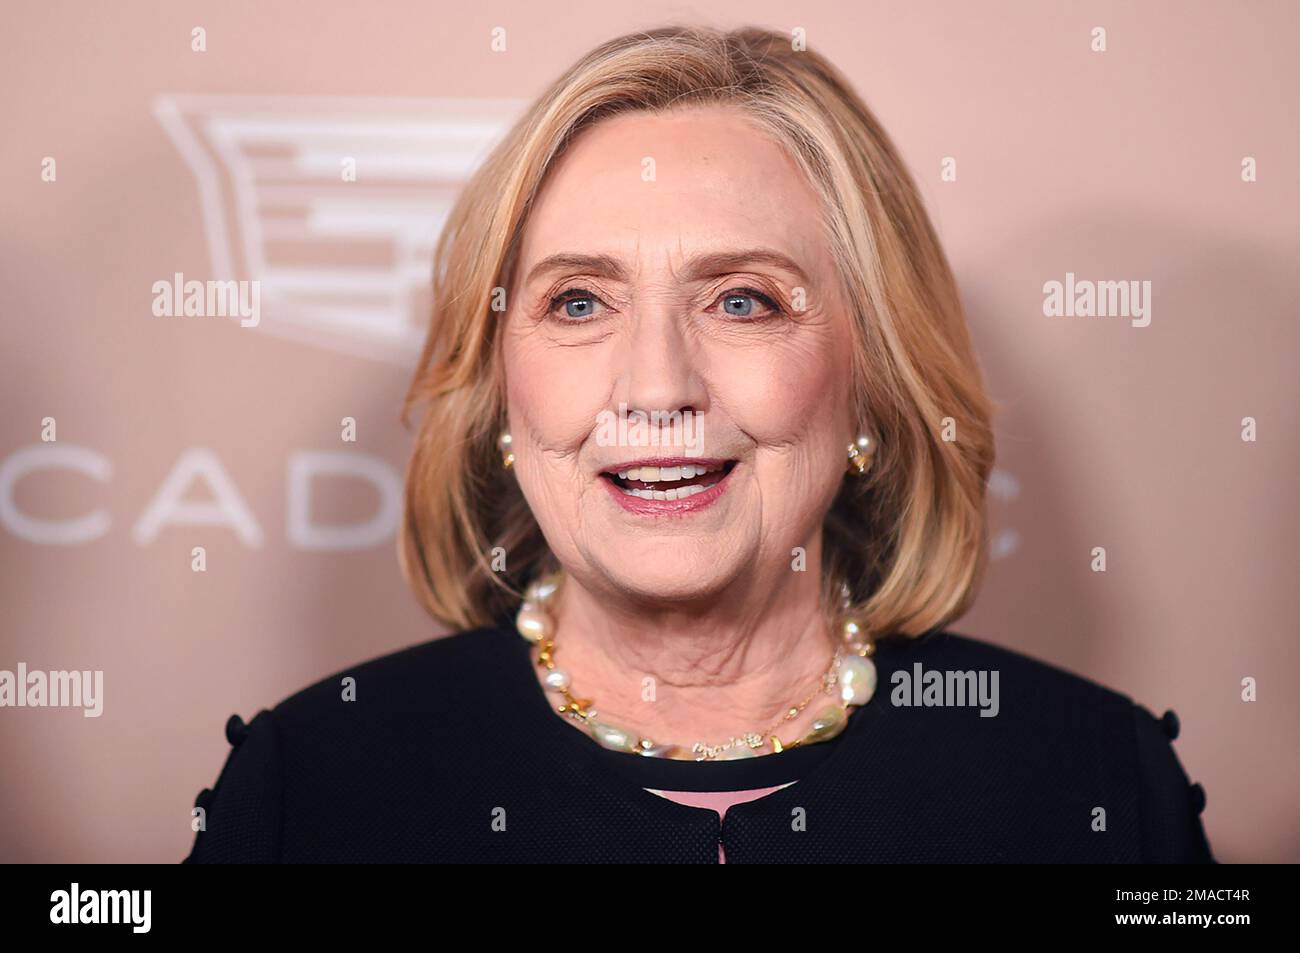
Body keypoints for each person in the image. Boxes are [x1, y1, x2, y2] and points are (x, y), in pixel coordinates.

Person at [184, 24, 1213, 863]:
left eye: (742, 299)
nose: (657, 386)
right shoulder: (313, 782)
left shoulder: (1093, 779)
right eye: (578, 300)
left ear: (870, 376)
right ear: (500, 385)